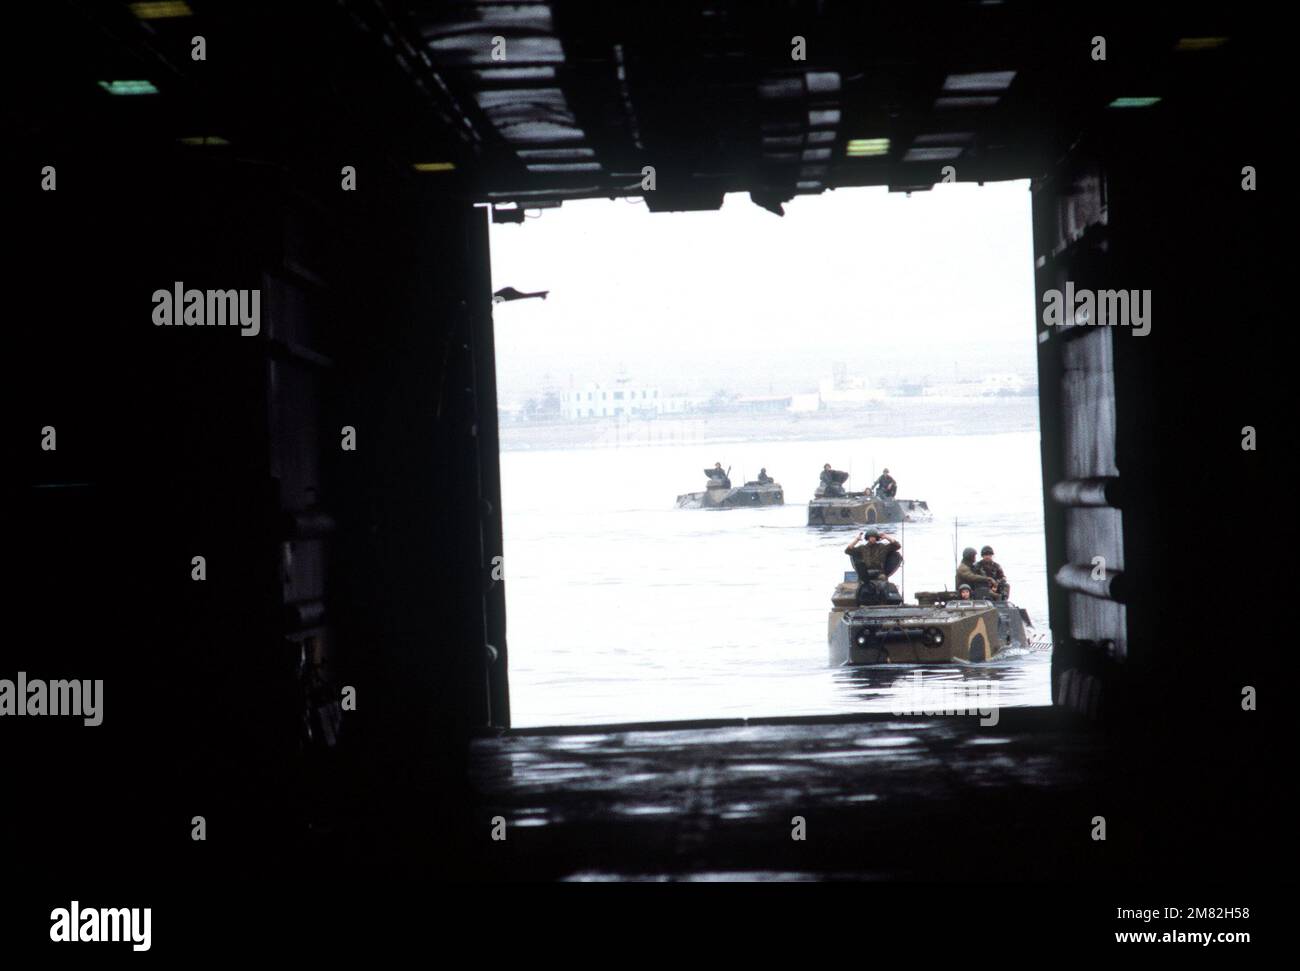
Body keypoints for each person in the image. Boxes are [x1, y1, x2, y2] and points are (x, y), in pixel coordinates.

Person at [846, 528, 902, 605]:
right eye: (870, 537)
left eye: (874, 537)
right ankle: (863, 600)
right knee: (863, 585)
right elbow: (848, 551)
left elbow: (897, 546)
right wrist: (856, 540)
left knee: (882, 583)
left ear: (877, 538)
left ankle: (883, 601)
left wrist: (886, 537)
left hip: (879, 572)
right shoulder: (862, 548)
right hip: (866, 572)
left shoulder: (882, 547)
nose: (872, 539)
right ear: (867, 538)